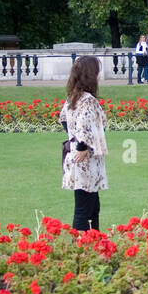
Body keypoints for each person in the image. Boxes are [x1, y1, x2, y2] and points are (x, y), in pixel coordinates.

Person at [59, 55, 108, 230]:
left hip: (78, 158)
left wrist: (74, 141)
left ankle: (94, 244)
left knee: (92, 206)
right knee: (84, 209)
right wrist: (82, 146)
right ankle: (80, 249)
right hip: (85, 161)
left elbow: (64, 120)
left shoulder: (74, 97)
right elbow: (83, 125)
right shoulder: (87, 100)